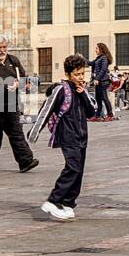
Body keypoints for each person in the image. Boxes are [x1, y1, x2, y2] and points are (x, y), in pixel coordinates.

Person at [38, 53, 96, 221]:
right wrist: (35, 131)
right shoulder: (61, 89)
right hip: (67, 135)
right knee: (73, 168)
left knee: (79, 171)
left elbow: (93, 111)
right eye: (76, 74)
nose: (80, 77)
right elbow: (46, 109)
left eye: (82, 73)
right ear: (68, 74)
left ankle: (69, 204)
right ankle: (53, 200)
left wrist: (83, 93)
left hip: (82, 136)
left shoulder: (81, 90)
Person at [0, 35, 39, 176]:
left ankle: (26, 161)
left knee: (17, 134)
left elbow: (24, 79)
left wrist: (18, 83)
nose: (2, 50)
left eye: (4, 47)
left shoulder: (13, 61)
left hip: (11, 104)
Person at [89, 42, 115, 122]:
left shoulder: (104, 58)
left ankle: (110, 115)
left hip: (103, 81)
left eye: (97, 48)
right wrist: (82, 58)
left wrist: (97, 78)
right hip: (99, 81)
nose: (95, 50)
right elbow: (91, 63)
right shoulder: (98, 58)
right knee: (98, 98)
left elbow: (103, 69)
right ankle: (98, 116)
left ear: (101, 49)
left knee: (104, 98)